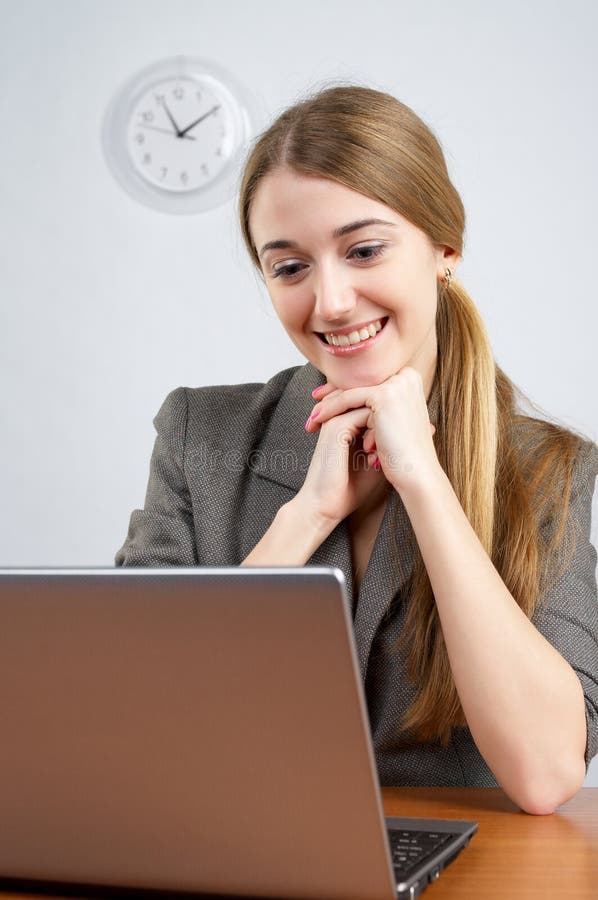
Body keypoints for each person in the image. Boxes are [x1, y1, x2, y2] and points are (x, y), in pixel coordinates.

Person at [115, 84, 598, 815]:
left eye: (364, 250)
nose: (331, 300)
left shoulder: (545, 469)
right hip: (248, 853)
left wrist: (426, 484)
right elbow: (133, 728)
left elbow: (544, 775)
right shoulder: (199, 436)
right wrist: (303, 519)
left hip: (471, 873)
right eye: (290, 267)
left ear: (444, 248)